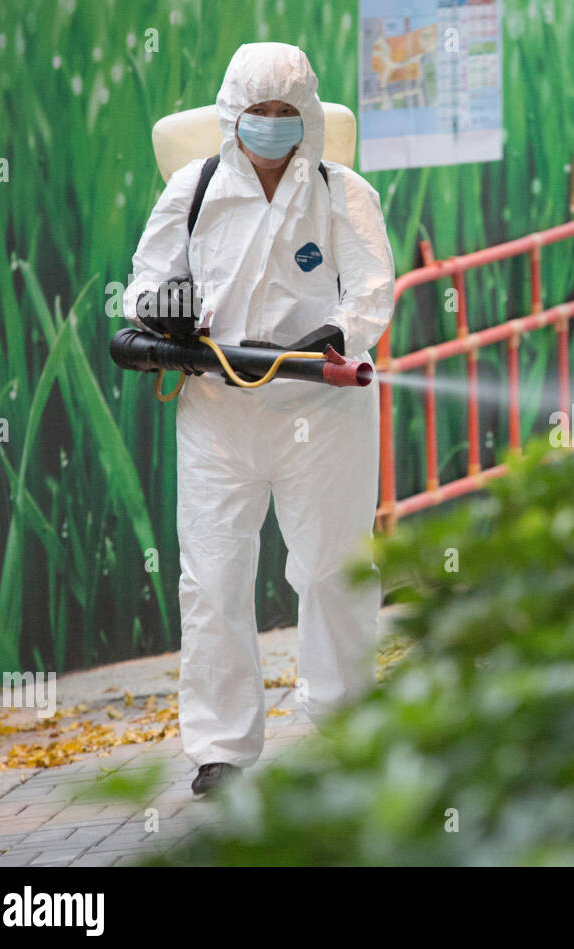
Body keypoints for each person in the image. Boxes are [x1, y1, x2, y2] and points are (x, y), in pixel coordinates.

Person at [123, 42, 394, 797]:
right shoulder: (194, 188)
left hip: (322, 408)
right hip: (217, 412)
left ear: (307, 115)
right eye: (258, 112)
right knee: (211, 579)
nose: (271, 126)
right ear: (231, 115)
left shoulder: (343, 194)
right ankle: (220, 750)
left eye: (285, 112)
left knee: (332, 570)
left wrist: (336, 335)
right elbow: (143, 282)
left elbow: (372, 291)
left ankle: (348, 730)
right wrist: (158, 310)